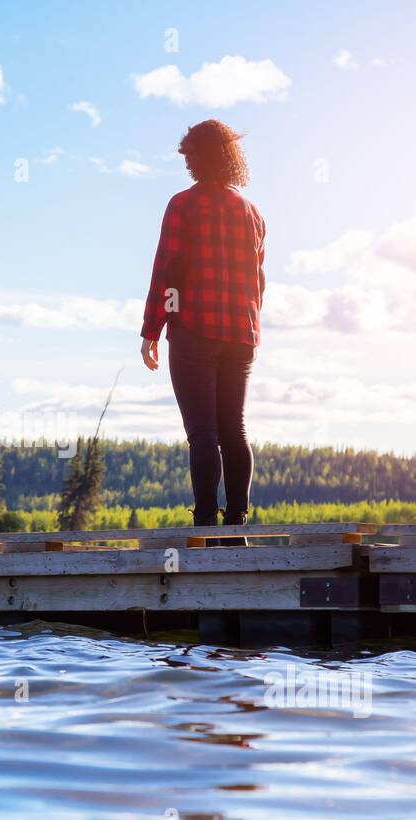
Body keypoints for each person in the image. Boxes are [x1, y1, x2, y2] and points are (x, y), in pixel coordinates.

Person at [139, 119, 265, 528]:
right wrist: (247, 322)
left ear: (201, 157)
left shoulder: (184, 205)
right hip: (241, 334)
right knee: (235, 429)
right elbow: (258, 281)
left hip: (195, 328)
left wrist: (152, 329)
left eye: (190, 154)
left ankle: (207, 525)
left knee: (203, 432)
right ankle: (237, 525)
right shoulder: (251, 212)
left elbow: (167, 270)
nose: (187, 161)